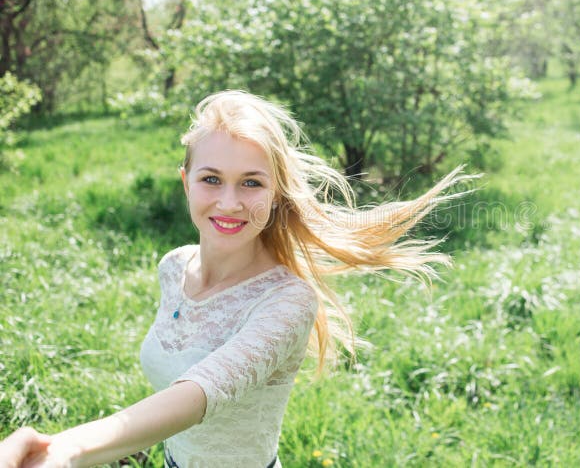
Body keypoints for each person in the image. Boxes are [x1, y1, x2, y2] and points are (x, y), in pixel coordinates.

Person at [9, 90, 467, 468]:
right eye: (211, 179)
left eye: (251, 183)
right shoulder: (173, 267)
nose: (229, 203)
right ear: (186, 181)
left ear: (277, 193)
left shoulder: (288, 301)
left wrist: (68, 448)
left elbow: (199, 393)